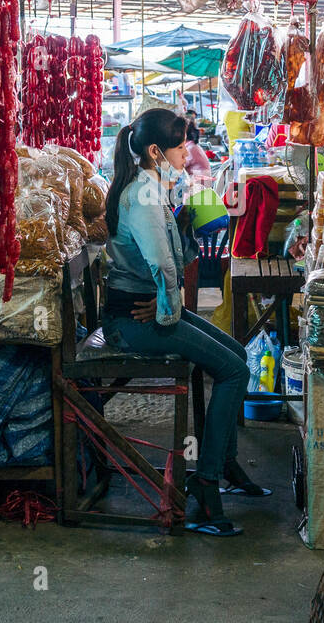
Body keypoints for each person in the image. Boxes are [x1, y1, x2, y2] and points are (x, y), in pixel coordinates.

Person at [102, 108, 268, 537]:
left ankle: (222, 462)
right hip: (133, 320)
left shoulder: (153, 187)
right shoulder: (142, 195)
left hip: (149, 308)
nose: (184, 155)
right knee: (233, 370)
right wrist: (166, 309)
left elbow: (169, 257)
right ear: (156, 151)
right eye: (178, 148)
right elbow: (161, 265)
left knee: (235, 353)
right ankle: (207, 482)